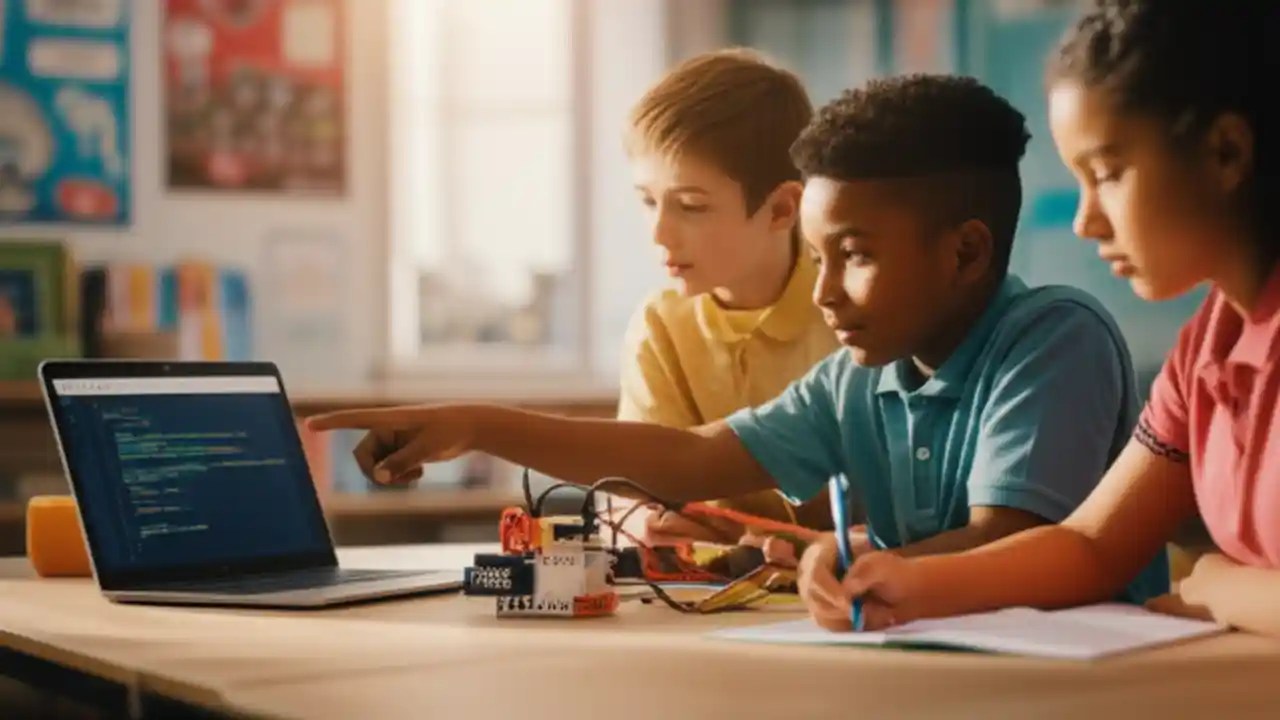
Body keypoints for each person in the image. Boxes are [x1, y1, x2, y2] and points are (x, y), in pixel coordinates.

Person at [307, 74, 1166, 613]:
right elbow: (689, 456)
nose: (825, 290)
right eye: (820, 258)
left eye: (856, 258)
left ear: (967, 252)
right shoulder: (857, 380)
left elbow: (1004, 542)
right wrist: (477, 424)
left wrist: (844, 560)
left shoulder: (1054, 339)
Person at [810, 0, 1280, 637]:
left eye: (1108, 174)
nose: (1085, 220)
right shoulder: (1208, 344)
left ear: (1226, 152)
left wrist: (1224, 587)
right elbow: (1091, 545)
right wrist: (906, 580)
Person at [617, 49, 838, 533]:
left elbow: (876, 519)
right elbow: (636, 495)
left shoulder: (848, 314)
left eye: (691, 206)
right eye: (648, 201)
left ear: (782, 209)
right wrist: (639, 520)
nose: (658, 234)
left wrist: (736, 532)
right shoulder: (661, 325)